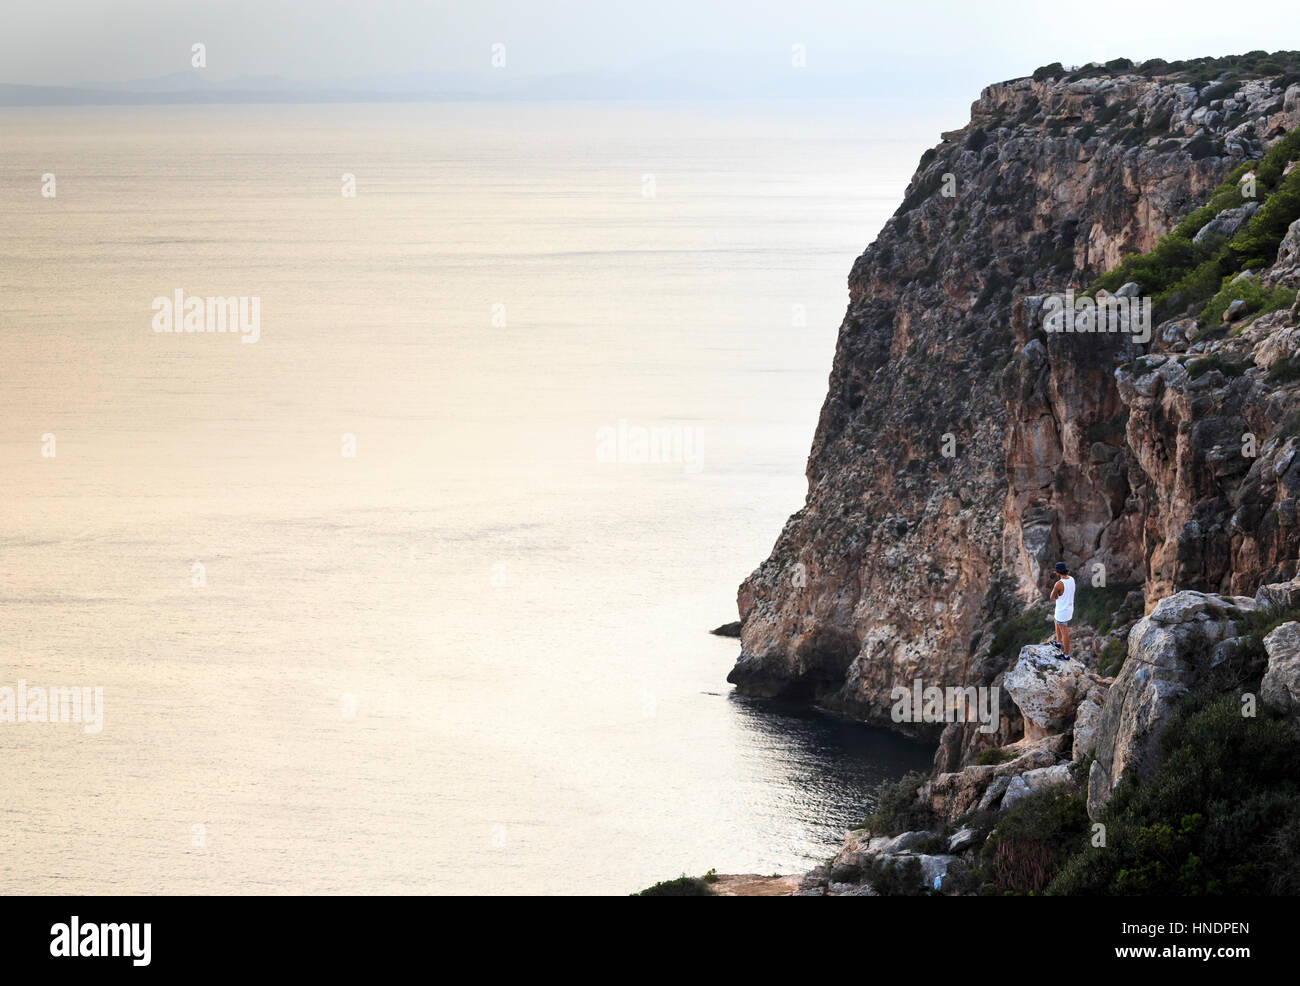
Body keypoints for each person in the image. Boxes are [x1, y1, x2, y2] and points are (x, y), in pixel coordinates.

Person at [1049, 562, 1074, 660]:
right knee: (1055, 620)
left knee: (1065, 631)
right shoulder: (1071, 579)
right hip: (1069, 607)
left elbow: (1051, 597)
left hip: (1062, 611)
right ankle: (1058, 643)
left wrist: (1057, 593)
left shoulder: (1059, 584)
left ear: (1057, 572)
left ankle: (1066, 654)